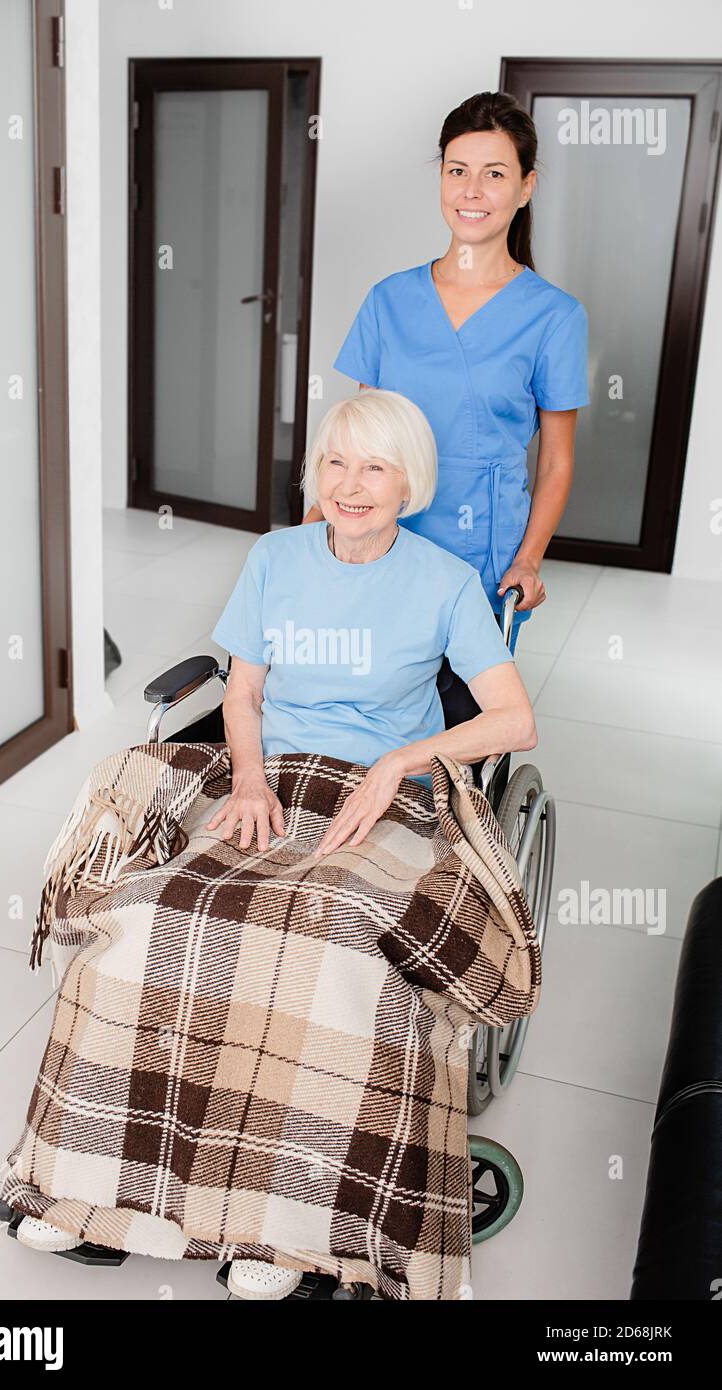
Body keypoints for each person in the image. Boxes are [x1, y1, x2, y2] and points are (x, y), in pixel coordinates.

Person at [202, 388, 536, 1298]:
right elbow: (241, 695)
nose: (351, 486)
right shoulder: (274, 558)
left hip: (385, 792)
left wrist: (403, 759)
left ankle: (288, 1224)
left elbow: (514, 721)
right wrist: (247, 776)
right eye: (336, 462)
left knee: (328, 938)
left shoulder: (441, 580)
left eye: (375, 466)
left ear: (410, 483)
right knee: (187, 910)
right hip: (276, 778)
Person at [303, 91, 590, 644]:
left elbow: (556, 462)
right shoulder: (389, 301)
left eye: (495, 173)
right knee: (369, 700)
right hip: (382, 531)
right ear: (441, 177)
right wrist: (319, 520)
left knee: (461, 710)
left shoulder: (555, 316)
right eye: (458, 170)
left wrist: (529, 560)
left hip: (480, 550)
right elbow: (361, 441)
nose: (472, 191)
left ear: (526, 187)